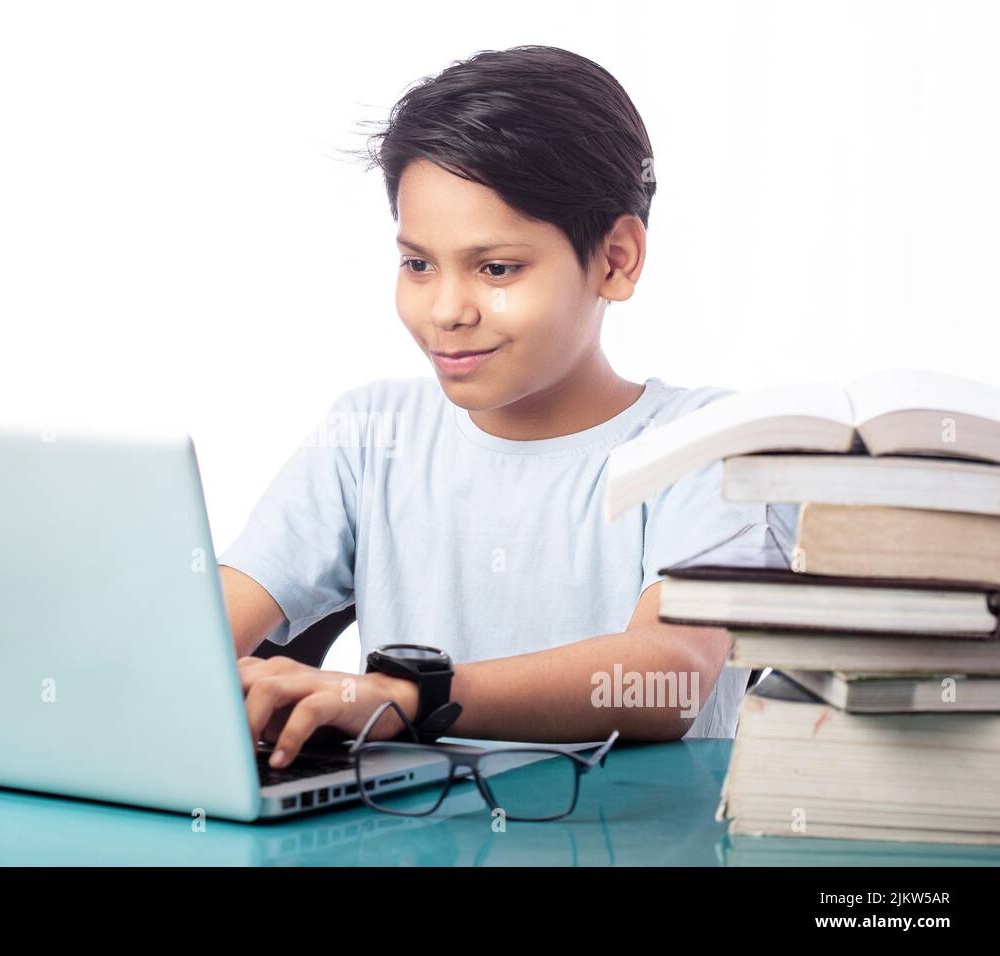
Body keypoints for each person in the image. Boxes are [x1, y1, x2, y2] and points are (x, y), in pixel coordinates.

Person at [218, 45, 772, 769]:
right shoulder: (371, 434)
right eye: (418, 264)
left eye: (496, 268)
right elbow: (189, 644)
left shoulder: (706, 444)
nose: (447, 309)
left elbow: (668, 676)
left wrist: (411, 697)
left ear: (615, 260)